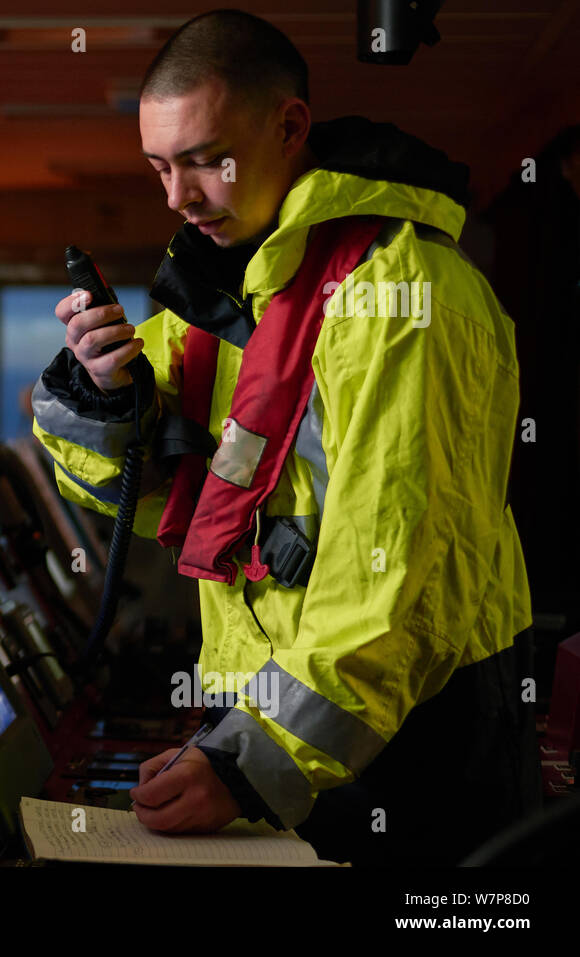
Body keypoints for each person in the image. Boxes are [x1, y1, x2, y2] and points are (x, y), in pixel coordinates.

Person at [31, 8, 539, 865]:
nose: (177, 197)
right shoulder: (221, 303)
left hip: (411, 740)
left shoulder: (404, 294)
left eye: (202, 161)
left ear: (290, 126)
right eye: (159, 167)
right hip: (281, 725)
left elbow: (398, 569)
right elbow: (126, 491)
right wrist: (100, 391)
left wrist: (244, 761)